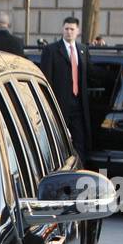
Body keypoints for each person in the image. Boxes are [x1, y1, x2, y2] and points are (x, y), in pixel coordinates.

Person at [39, 16, 91, 163]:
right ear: (62, 29)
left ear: (78, 31)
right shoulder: (51, 50)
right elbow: (46, 80)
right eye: (66, 29)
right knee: (58, 145)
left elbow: (90, 73)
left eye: (72, 29)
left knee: (80, 144)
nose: (69, 32)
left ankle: (80, 173)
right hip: (59, 107)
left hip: (78, 107)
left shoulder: (83, 50)